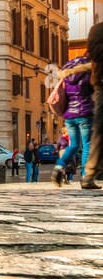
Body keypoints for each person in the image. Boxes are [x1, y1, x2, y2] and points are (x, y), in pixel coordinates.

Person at [51, 53, 94, 187]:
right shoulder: (88, 74)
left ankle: (59, 167)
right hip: (85, 114)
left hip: (69, 116)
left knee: (73, 145)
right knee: (87, 145)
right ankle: (85, 177)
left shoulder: (67, 76)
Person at [78, 21, 103, 189]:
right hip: (102, 83)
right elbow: (94, 51)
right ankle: (89, 174)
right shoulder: (98, 30)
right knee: (100, 129)